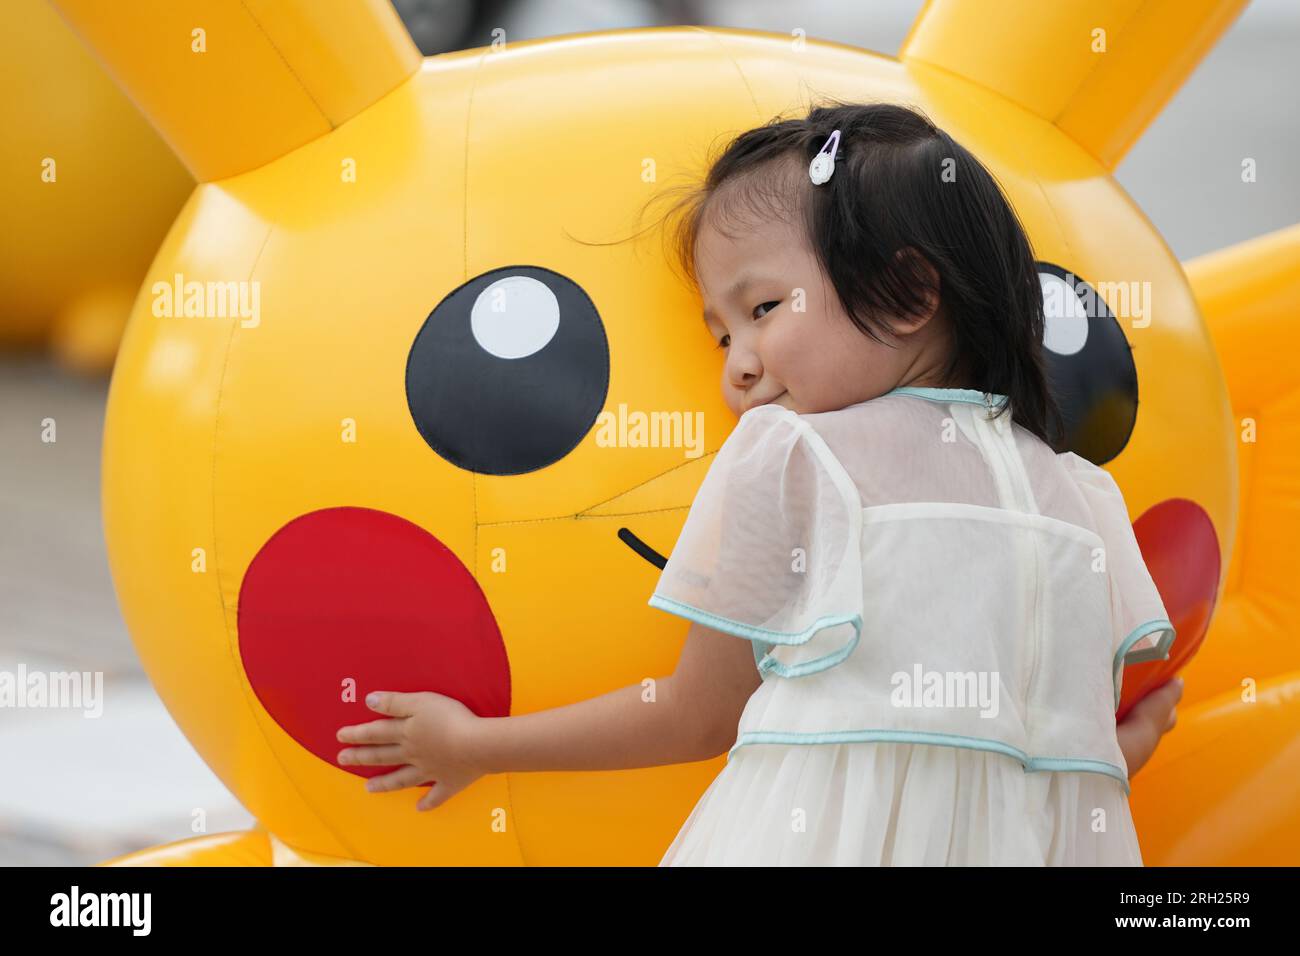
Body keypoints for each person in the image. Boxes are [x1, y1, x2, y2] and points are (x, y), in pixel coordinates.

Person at [336, 101, 1183, 865]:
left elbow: (691, 714)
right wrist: (1131, 743)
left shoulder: (795, 457)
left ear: (909, 290)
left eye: (764, 310)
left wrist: (476, 744)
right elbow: (1030, 768)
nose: (737, 370)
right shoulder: (1082, 499)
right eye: (720, 336)